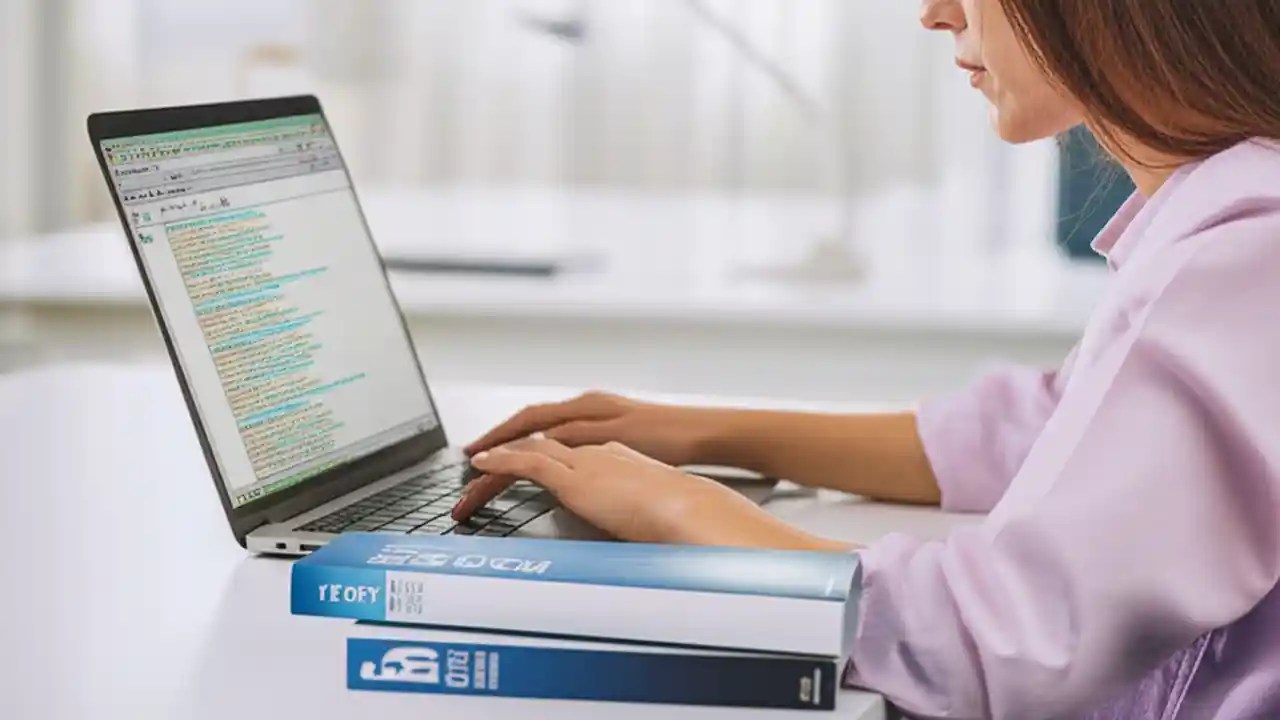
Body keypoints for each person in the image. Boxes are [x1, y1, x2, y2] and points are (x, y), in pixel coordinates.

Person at [452, 0, 1280, 717]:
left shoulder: (1244, 257)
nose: (935, 12)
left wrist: (677, 512)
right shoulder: (1223, 216)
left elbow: (992, 650)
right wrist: (708, 431)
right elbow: (1047, 428)